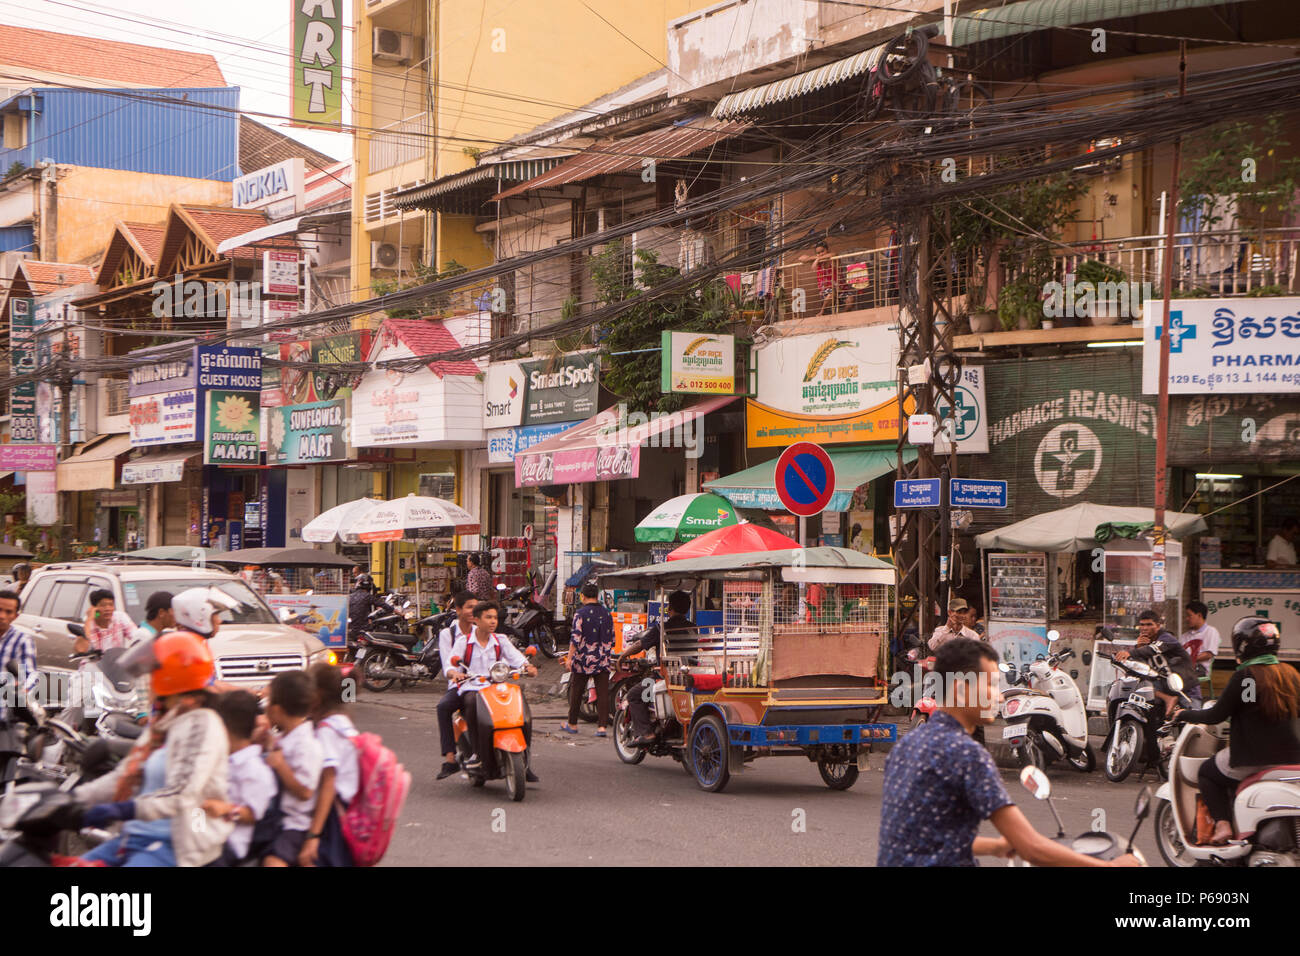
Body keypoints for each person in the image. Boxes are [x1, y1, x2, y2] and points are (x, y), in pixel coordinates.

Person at [878, 637, 1139, 867]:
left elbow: (926, 836)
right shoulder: (967, 755)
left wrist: (994, 847)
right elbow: (1031, 848)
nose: (1000, 697)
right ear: (960, 689)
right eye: (991, 685)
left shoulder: (907, 745)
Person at [73, 632, 233, 867]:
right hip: (135, 838)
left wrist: (121, 810)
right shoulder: (162, 724)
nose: (147, 683)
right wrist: (71, 800)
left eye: (151, 675)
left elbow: (181, 793)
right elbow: (122, 776)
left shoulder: (203, 724)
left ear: (168, 679)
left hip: (176, 845)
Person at [1174, 617, 1300, 845]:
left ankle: (1223, 825)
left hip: (1254, 758)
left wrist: (1184, 714)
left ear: (1241, 645)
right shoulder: (1290, 675)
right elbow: (1252, 707)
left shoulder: (1248, 677)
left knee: (1207, 772)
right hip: (1293, 759)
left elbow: (1216, 715)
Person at [447, 601, 538, 775]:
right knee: (472, 703)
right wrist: (455, 673)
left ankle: (525, 756)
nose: (493, 622)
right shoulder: (464, 642)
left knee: (522, 708)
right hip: (472, 688)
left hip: (496, 687)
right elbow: (450, 665)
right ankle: (477, 753)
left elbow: (516, 658)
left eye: (495, 618)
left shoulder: (500, 640)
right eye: (488, 617)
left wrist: (528, 667)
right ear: (476, 620)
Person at [203, 690, 277, 867]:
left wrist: (226, 809)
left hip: (228, 844)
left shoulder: (254, 770)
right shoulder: (222, 760)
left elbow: (253, 814)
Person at [261, 670, 324, 867]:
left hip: (294, 824)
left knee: (273, 862)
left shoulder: (306, 745)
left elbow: (305, 792)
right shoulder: (288, 738)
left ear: (277, 710)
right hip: (275, 819)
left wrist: (280, 766)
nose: (265, 708)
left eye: (268, 702)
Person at [300, 662, 358, 867]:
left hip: (333, 817)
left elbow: (329, 782)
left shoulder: (328, 731)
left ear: (318, 695)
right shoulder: (343, 722)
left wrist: (313, 835)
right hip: (348, 812)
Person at [618, 590, 693, 747]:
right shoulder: (693, 628)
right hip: (689, 675)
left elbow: (640, 645)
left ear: (669, 608)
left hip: (664, 677)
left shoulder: (662, 628)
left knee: (634, 695)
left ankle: (647, 733)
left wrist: (622, 656)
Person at [1114, 609, 1200, 710]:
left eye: (1149, 625)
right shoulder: (1144, 646)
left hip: (1185, 689)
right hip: (1165, 690)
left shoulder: (1167, 638)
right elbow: (1138, 668)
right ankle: (1168, 699)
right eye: (1142, 625)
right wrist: (1138, 647)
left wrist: (1130, 652)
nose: (1145, 628)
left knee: (1193, 722)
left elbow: (1152, 649)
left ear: (1158, 626)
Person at [561, 584, 614, 736]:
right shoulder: (607, 614)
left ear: (583, 596)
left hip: (583, 659)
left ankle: (572, 724)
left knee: (577, 691)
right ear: (597, 596)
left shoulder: (580, 614)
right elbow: (613, 639)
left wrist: (569, 658)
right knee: (603, 693)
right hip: (603, 659)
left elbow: (575, 638)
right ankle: (602, 727)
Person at [436, 590, 477, 780]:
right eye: (469, 607)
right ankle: (450, 759)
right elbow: (447, 664)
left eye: (476, 608)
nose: (473, 611)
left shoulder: (482, 631)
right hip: (460, 686)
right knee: (443, 707)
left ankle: (523, 761)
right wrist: (454, 674)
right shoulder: (448, 634)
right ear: (458, 609)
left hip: (484, 686)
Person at [0, 589, 37, 722]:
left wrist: (22, 690)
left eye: (8, 612)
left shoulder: (22, 640)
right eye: (0, 609)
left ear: (15, 616)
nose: (2, 616)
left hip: (6, 713)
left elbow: (30, 676)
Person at [75, 588, 136, 656]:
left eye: (111, 605)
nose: (108, 609)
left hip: (116, 663)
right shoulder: (88, 622)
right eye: (103, 605)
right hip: (93, 664)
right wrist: (89, 620)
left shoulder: (120, 617)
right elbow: (81, 650)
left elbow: (135, 636)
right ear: (94, 608)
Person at [1179, 600, 1221, 684]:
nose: (1187, 619)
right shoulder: (1185, 636)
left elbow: (1208, 654)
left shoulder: (1211, 631)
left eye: (1189, 616)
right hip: (1185, 666)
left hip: (1200, 668)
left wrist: (1188, 659)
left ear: (1199, 615)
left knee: (1177, 677)